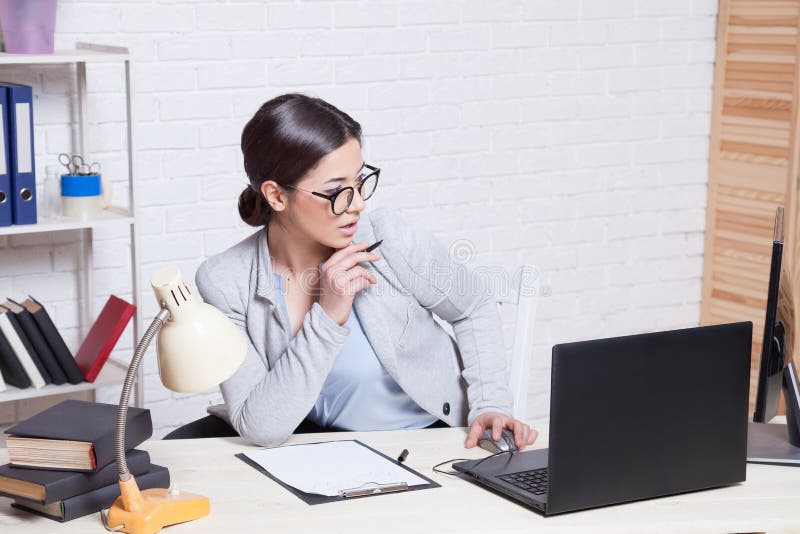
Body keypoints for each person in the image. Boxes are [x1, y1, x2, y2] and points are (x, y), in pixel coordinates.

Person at [194, 93, 537, 451]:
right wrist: (327, 314)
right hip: (324, 450)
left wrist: (491, 403)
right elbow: (262, 427)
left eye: (359, 182)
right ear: (276, 196)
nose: (358, 203)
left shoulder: (386, 240)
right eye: (337, 192)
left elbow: (473, 305)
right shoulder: (226, 280)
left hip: (430, 441)